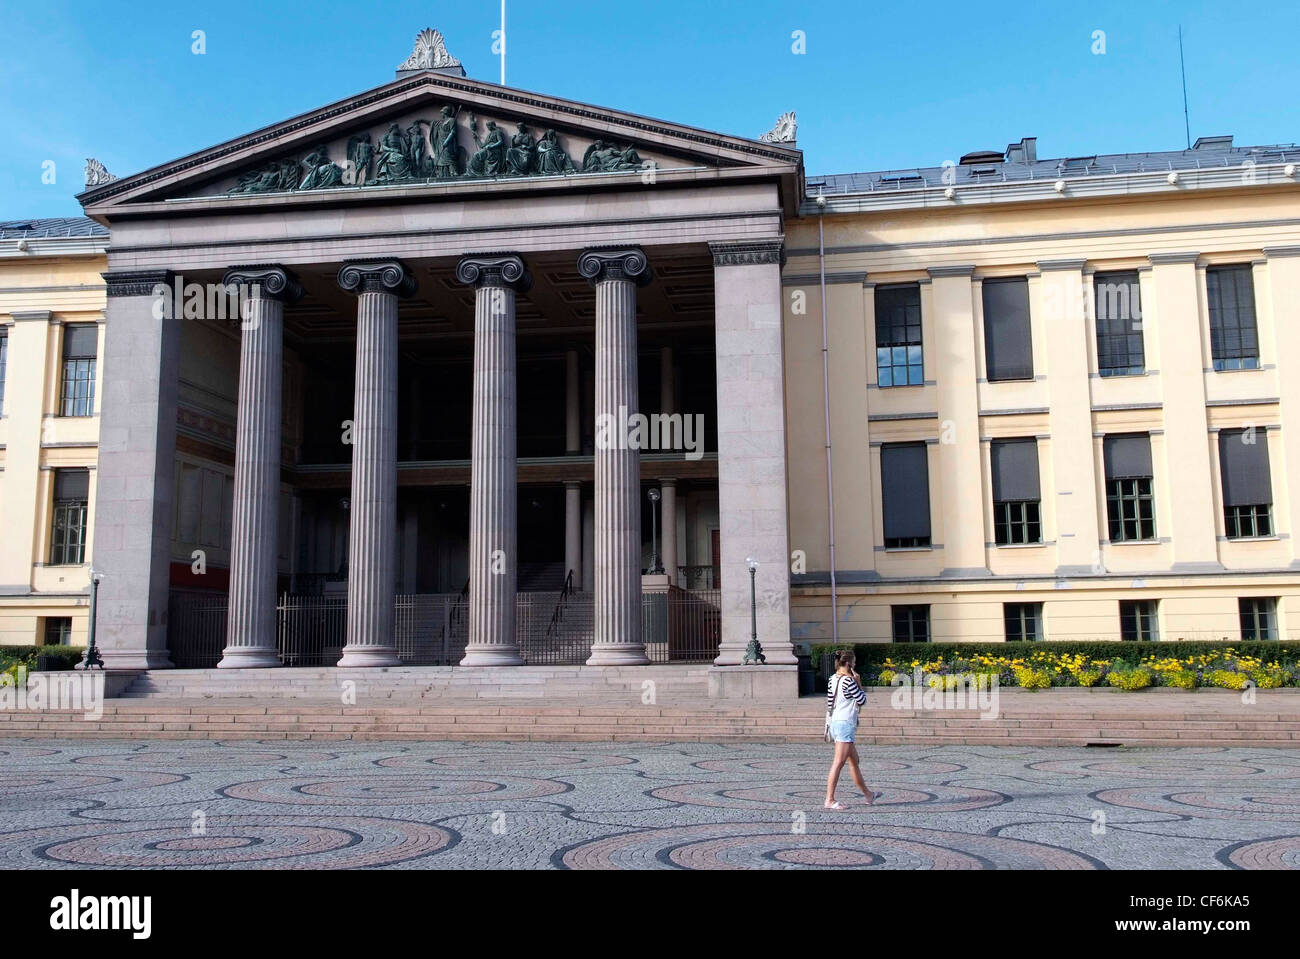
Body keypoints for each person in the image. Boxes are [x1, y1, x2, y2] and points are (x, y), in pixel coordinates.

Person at [824, 650, 881, 810]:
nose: (855, 666)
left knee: (854, 761)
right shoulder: (849, 681)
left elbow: (830, 702)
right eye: (854, 663)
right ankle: (829, 799)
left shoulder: (832, 679)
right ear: (848, 664)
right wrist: (858, 682)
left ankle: (868, 795)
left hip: (836, 722)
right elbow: (862, 700)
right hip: (845, 724)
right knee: (838, 762)